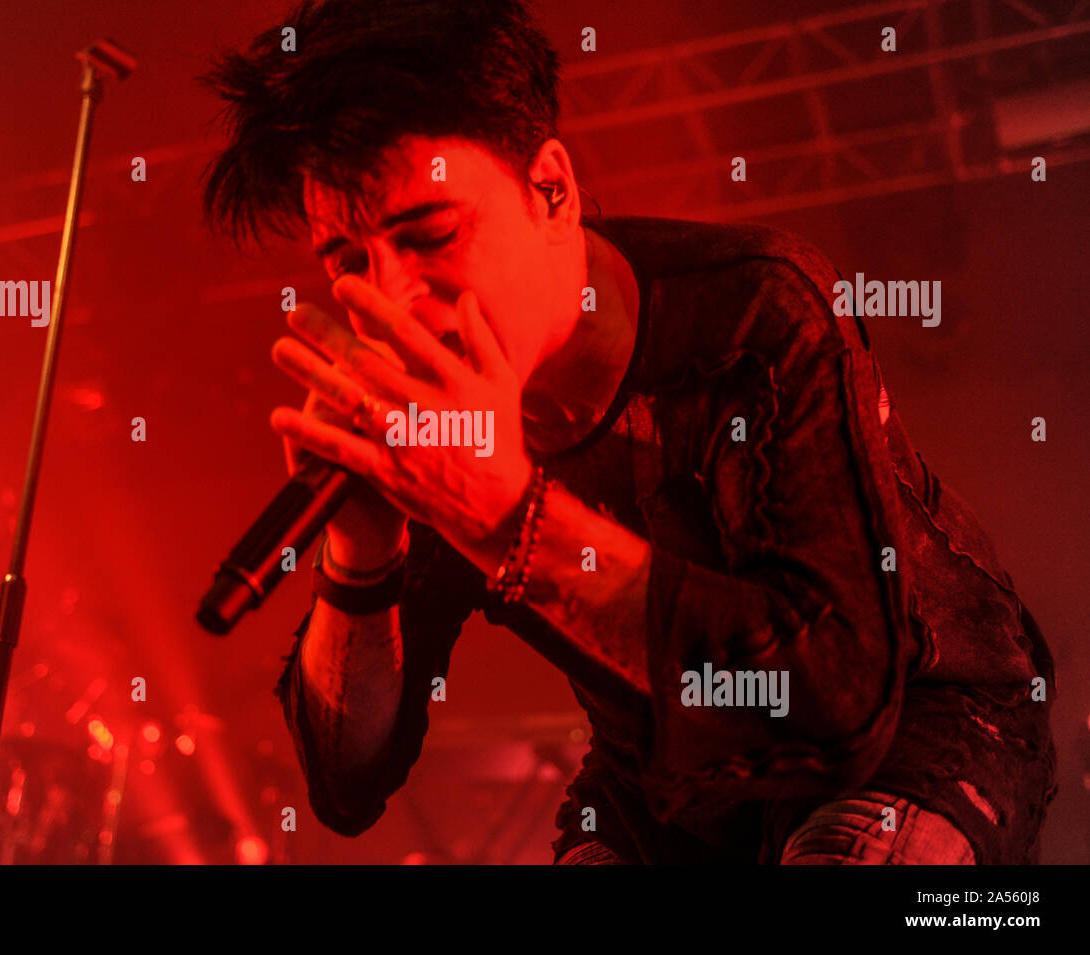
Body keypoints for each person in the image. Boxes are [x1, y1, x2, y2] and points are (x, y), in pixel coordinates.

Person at [199, 0, 1056, 864]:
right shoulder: (429, 412)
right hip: (660, 782)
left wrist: (508, 517)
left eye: (432, 235)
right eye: (348, 261)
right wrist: (360, 552)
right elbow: (348, 785)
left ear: (551, 187)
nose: (391, 302)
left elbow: (835, 697)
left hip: (921, 731)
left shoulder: (755, 310)